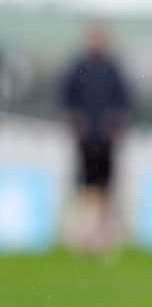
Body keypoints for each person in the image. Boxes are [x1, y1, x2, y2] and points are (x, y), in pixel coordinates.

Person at [59, 21, 133, 253]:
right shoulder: (78, 66)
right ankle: (84, 235)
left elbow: (124, 101)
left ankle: (105, 235)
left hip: (106, 140)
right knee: (85, 186)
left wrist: (116, 124)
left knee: (106, 186)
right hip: (85, 139)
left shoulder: (113, 68)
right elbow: (67, 99)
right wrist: (75, 121)